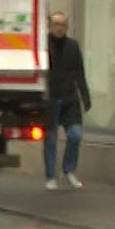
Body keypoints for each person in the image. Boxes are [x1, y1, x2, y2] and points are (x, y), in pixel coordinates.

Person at [44, 11, 92, 190]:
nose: (59, 27)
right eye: (56, 24)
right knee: (51, 139)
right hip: (51, 99)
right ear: (49, 26)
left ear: (67, 27)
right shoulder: (44, 46)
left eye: (63, 24)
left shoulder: (72, 46)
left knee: (75, 134)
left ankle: (69, 170)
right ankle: (50, 176)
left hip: (70, 98)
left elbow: (79, 72)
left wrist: (85, 96)